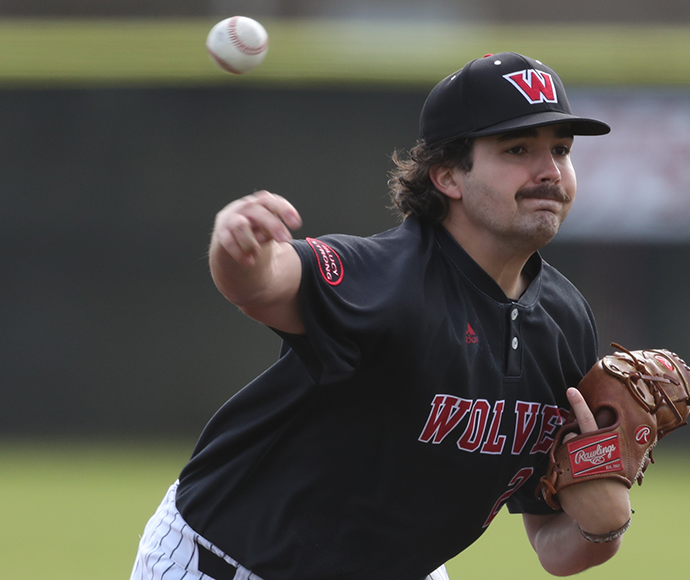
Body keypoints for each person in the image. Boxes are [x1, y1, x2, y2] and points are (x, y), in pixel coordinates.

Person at [131, 52, 631, 580]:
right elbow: (264, 286)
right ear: (447, 176)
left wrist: (601, 529)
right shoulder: (389, 277)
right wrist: (239, 248)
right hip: (234, 561)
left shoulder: (566, 323)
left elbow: (552, 548)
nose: (549, 171)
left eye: (561, 149)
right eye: (517, 149)